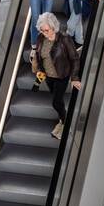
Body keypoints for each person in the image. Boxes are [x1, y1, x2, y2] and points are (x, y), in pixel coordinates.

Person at [31, 11, 82, 140]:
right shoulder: (40, 38)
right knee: (57, 100)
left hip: (61, 76)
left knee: (56, 102)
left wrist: (74, 78)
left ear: (53, 27)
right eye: (42, 31)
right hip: (48, 77)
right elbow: (39, 54)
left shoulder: (64, 40)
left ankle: (65, 122)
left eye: (46, 30)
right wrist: (39, 68)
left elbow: (75, 58)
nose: (44, 33)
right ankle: (62, 119)